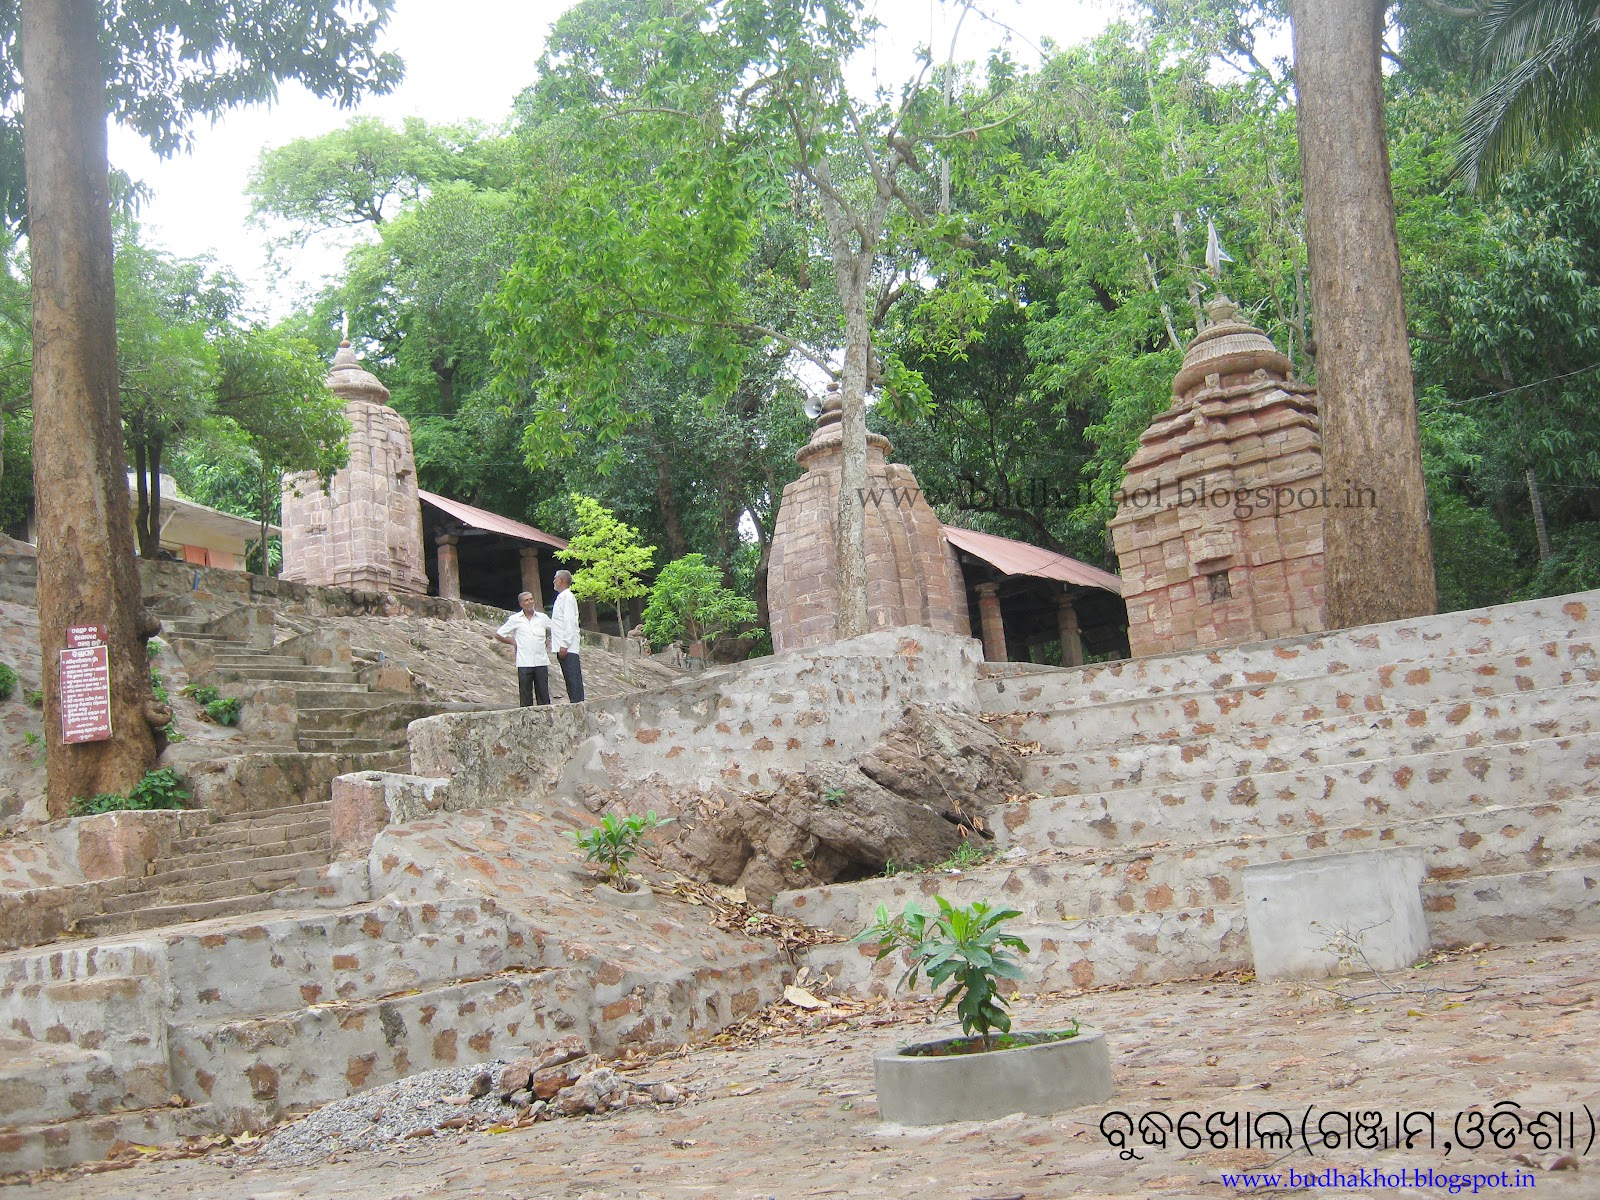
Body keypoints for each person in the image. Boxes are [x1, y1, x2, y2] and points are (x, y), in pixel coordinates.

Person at [494, 591, 552, 706]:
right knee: (525, 696)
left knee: (543, 695)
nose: (530, 602)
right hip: (524, 662)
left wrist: (549, 640)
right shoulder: (515, 619)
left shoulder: (543, 618)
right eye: (526, 600)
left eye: (531, 599)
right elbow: (499, 634)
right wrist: (513, 642)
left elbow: (556, 630)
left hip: (541, 660)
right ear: (521, 604)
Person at [550, 569, 585, 702]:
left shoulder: (567, 597)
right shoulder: (562, 598)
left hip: (568, 647)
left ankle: (578, 704)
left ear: (560, 580)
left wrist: (564, 644)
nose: (554, 581)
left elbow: (569, 622)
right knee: (569, 679)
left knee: (573, 678)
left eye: (555, 578)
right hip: (563, 645)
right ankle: (575, 703)